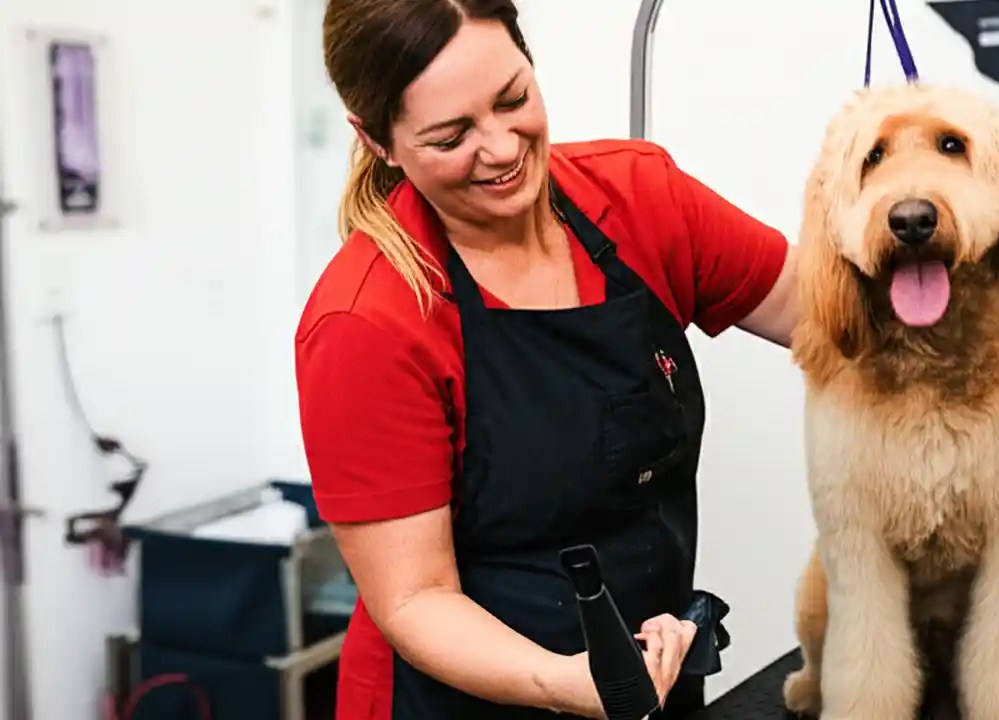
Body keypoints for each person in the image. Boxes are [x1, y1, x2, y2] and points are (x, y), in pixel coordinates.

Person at [295, 1, 798, 718]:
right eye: (451, 135)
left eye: (514, 99)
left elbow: (833, 317)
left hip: (646, 676)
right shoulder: (366, 323)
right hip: (461, 701)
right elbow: (414, 597)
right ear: (377, 141)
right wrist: (562, 681)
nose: (501, 148)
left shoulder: (638, 199)